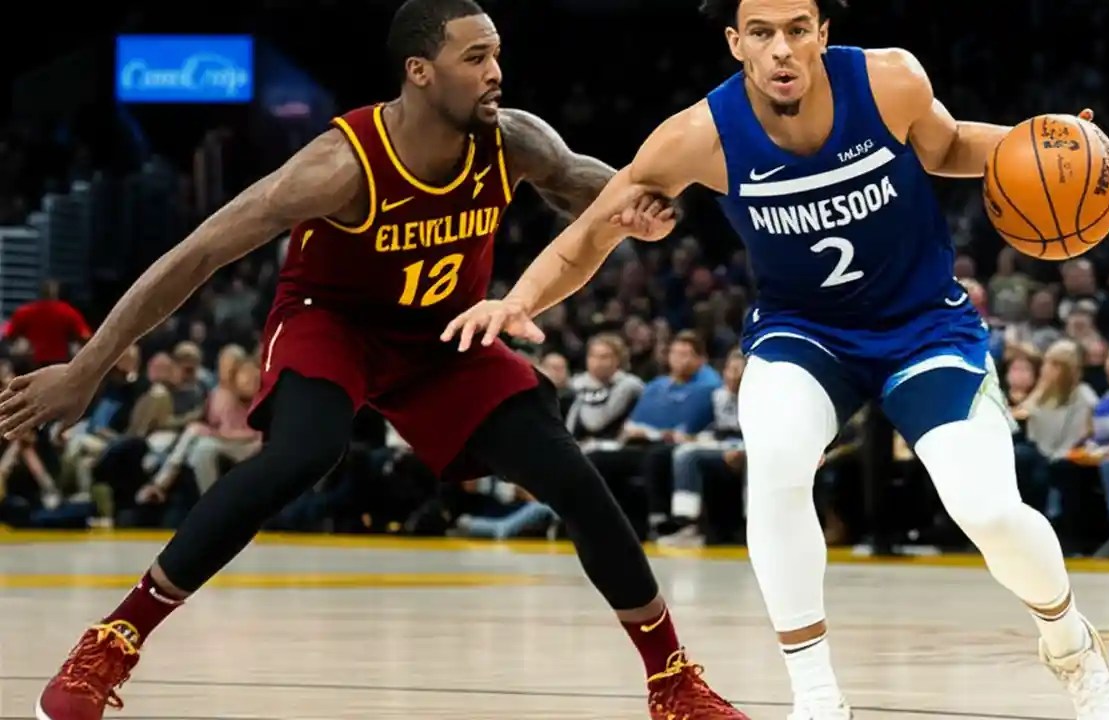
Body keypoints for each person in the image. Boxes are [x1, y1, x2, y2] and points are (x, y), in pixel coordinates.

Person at [0, 2, 745, 719]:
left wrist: (645, 211)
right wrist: (87, 368)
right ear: (420, 71)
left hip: (442, 332)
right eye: (475, 57)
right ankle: (112, 642)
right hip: (334, 323)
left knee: (570, 474)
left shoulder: (513, 139)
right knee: (304, 451)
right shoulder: (338, 165)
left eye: (496, 55)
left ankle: (672, 682)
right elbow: (196, 255)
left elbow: (602, 187)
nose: (495, 72)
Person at [442, 1, 1109, 718]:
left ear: (822, 34)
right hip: (804, 334)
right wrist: (517, 300)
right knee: (775, 463)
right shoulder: (698, 136)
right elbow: (592, 231)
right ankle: (815, 697)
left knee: (988, 511)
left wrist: (1069, 149)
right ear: (735, 42)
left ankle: (1072, 650)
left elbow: (950, 144)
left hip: (926, 326)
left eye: (797, 30)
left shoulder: (889, 81)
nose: (781, 48)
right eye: (761, 33)